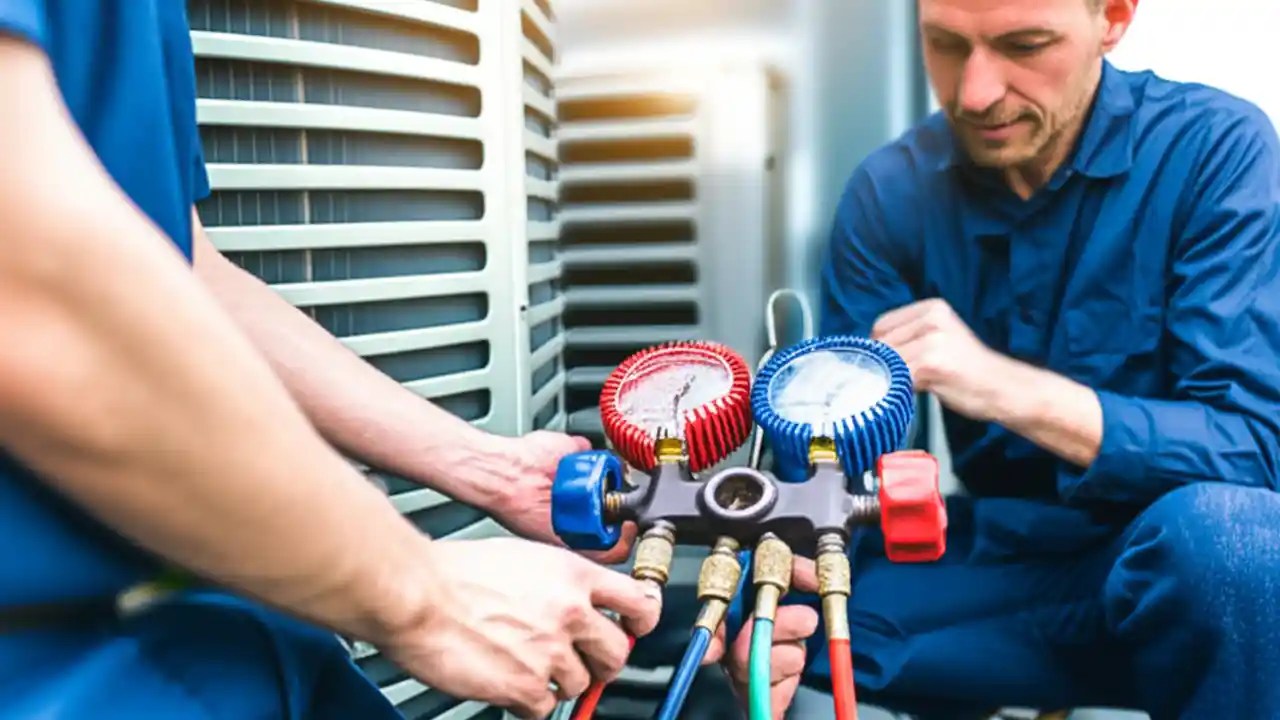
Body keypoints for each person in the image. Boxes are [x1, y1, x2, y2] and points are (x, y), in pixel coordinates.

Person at [0, 3, 748, 718]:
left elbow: (184, 269)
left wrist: (490, 469)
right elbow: (27, 289)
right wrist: (423, 598)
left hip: (176, 645)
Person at [721, 0, 1280, 718]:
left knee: (1231, 546)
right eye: (947, 44)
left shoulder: (1214, 150)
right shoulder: (889, 193)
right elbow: (838, 491)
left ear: (1113, 16)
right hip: (994, 566)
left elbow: (1256, 449)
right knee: (768, 605)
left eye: (1025, 45)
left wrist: (1000, 386)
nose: (976, 93)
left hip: (1170, 566)